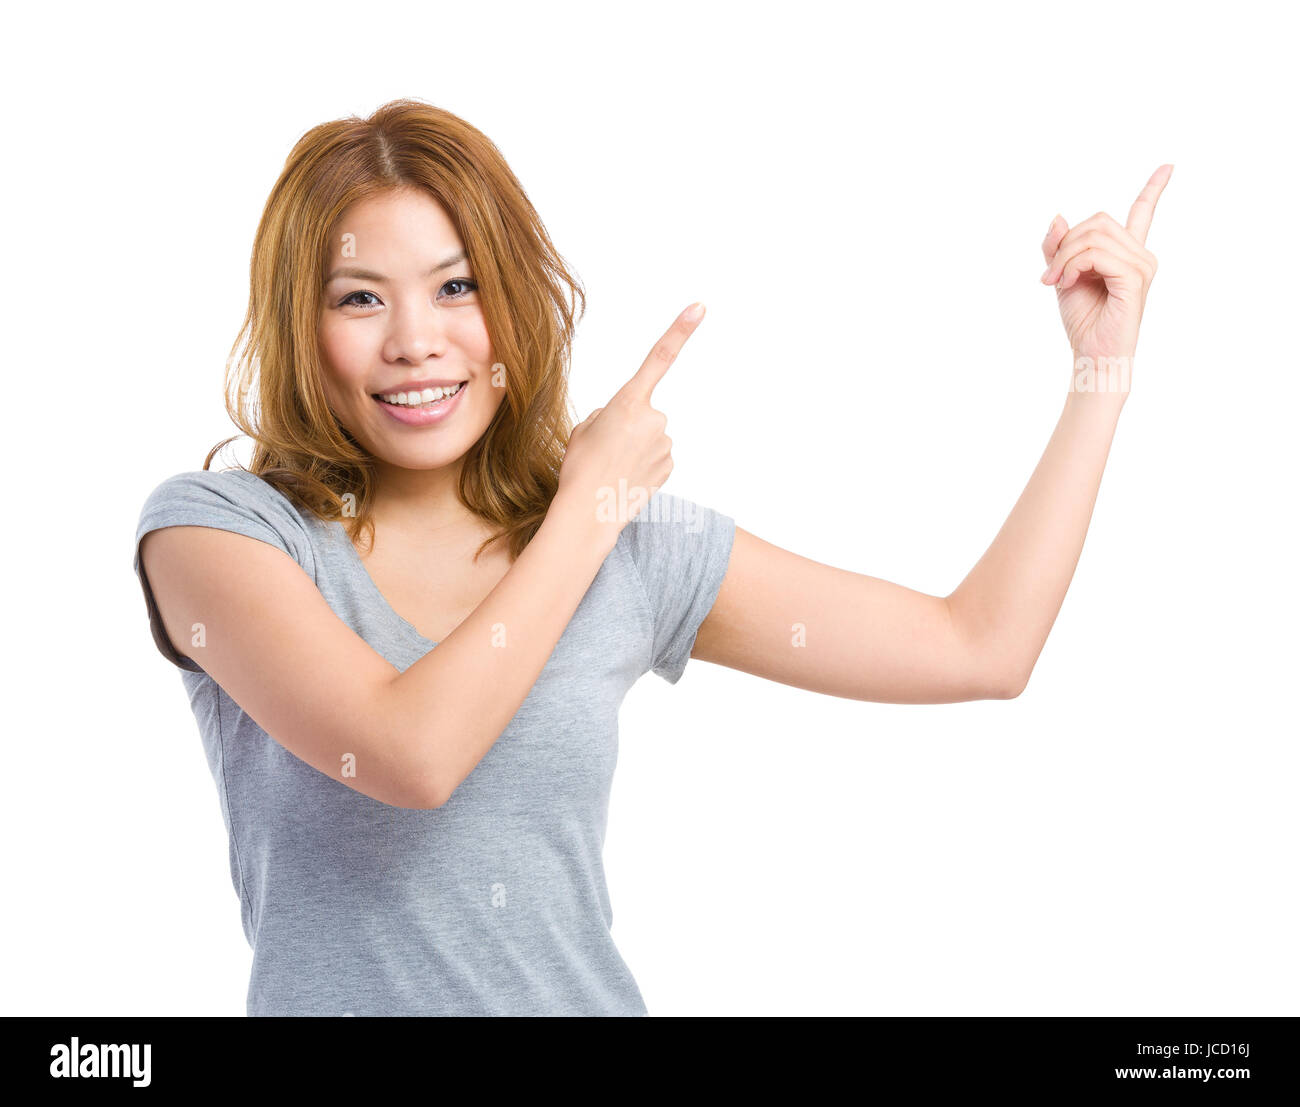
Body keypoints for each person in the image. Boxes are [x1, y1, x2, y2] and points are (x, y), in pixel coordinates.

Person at [132, 97, 1171, 1016]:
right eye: (359, 298)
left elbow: (977, 647)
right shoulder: (221, 536)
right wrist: (588, 504)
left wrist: (1100, 377)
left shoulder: (634, 553)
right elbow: (410, 754)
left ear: (513, 305)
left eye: (457, 287)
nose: (414, 339)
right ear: (298, 326)